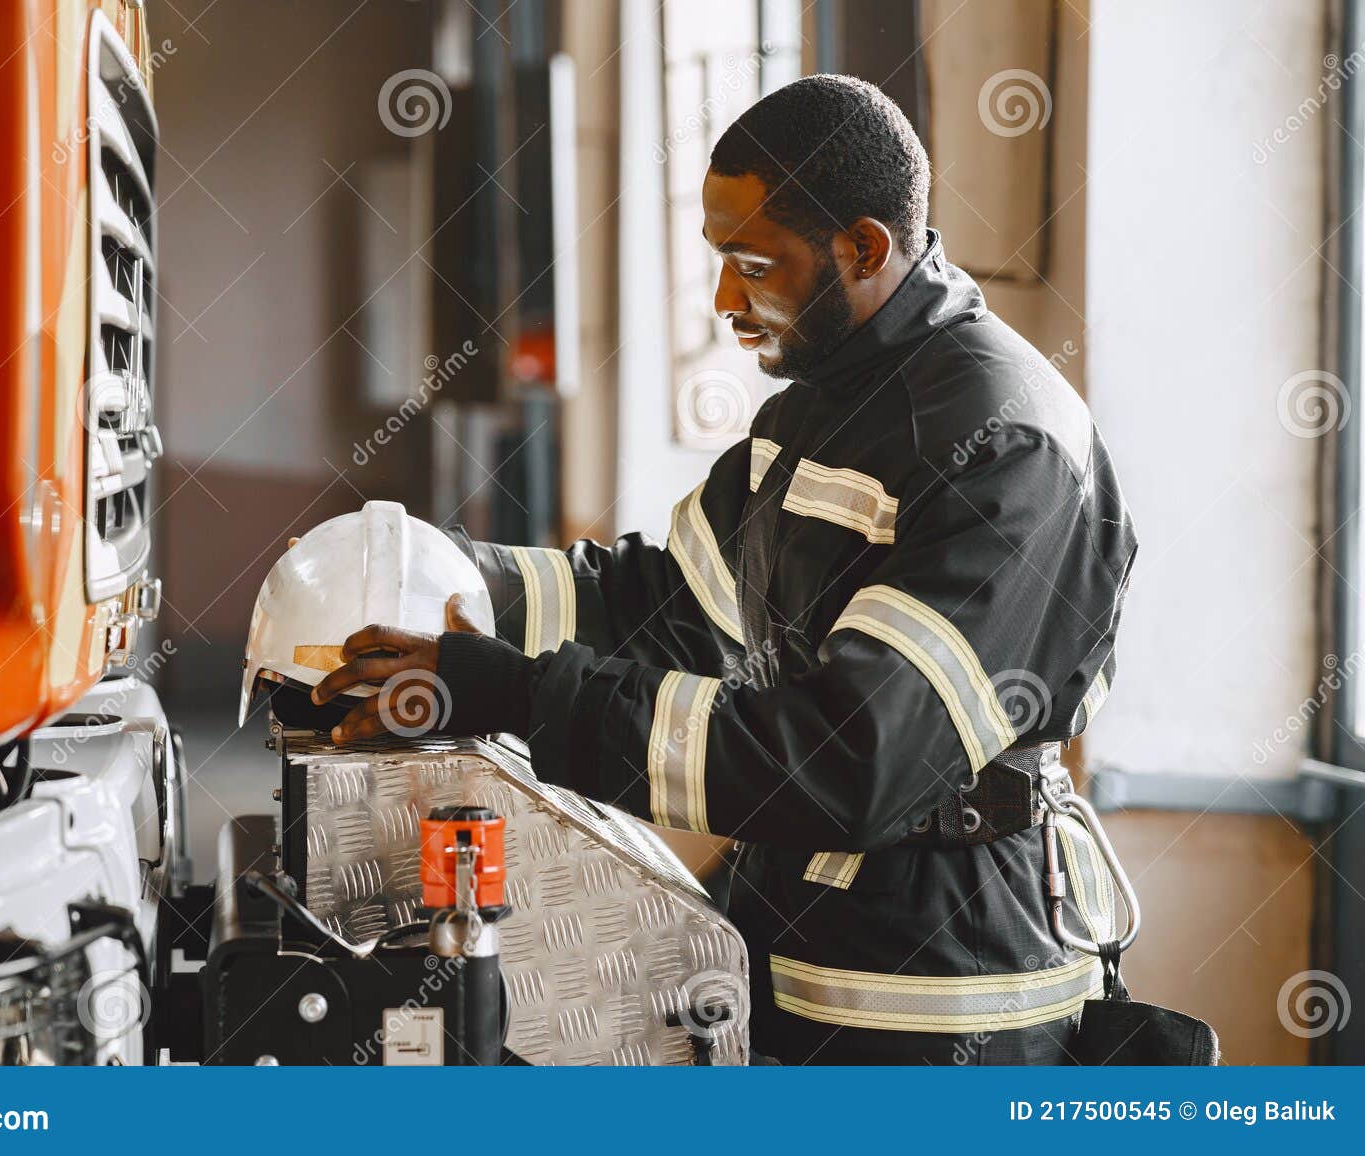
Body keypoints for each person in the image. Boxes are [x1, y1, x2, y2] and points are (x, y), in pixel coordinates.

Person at [312, 74, 1136, 1065]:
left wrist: (522, 697)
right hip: (798, 961)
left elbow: (849, 760)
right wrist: (439, 576)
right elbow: (667, 604)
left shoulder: (1004, 446)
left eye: (754, 264)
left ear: (865, 248)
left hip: (945, 1005)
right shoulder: (812, 408)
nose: (723, 299)